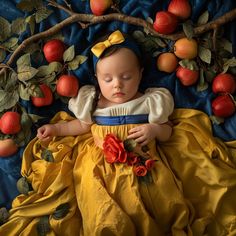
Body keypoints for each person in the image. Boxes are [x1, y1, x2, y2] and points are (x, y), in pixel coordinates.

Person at [1, 30, 236, 236]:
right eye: (108, 79)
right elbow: (80, 126)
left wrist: (154, 130)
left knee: (164, 202)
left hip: (145, 165)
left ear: (141, 74)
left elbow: (168, 132)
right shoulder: (91, 102)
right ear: (96, 80)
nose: (117, 85)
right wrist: (55, 129)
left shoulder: (150, 101)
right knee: (101, 211)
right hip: (99, 170)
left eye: (126, 77)